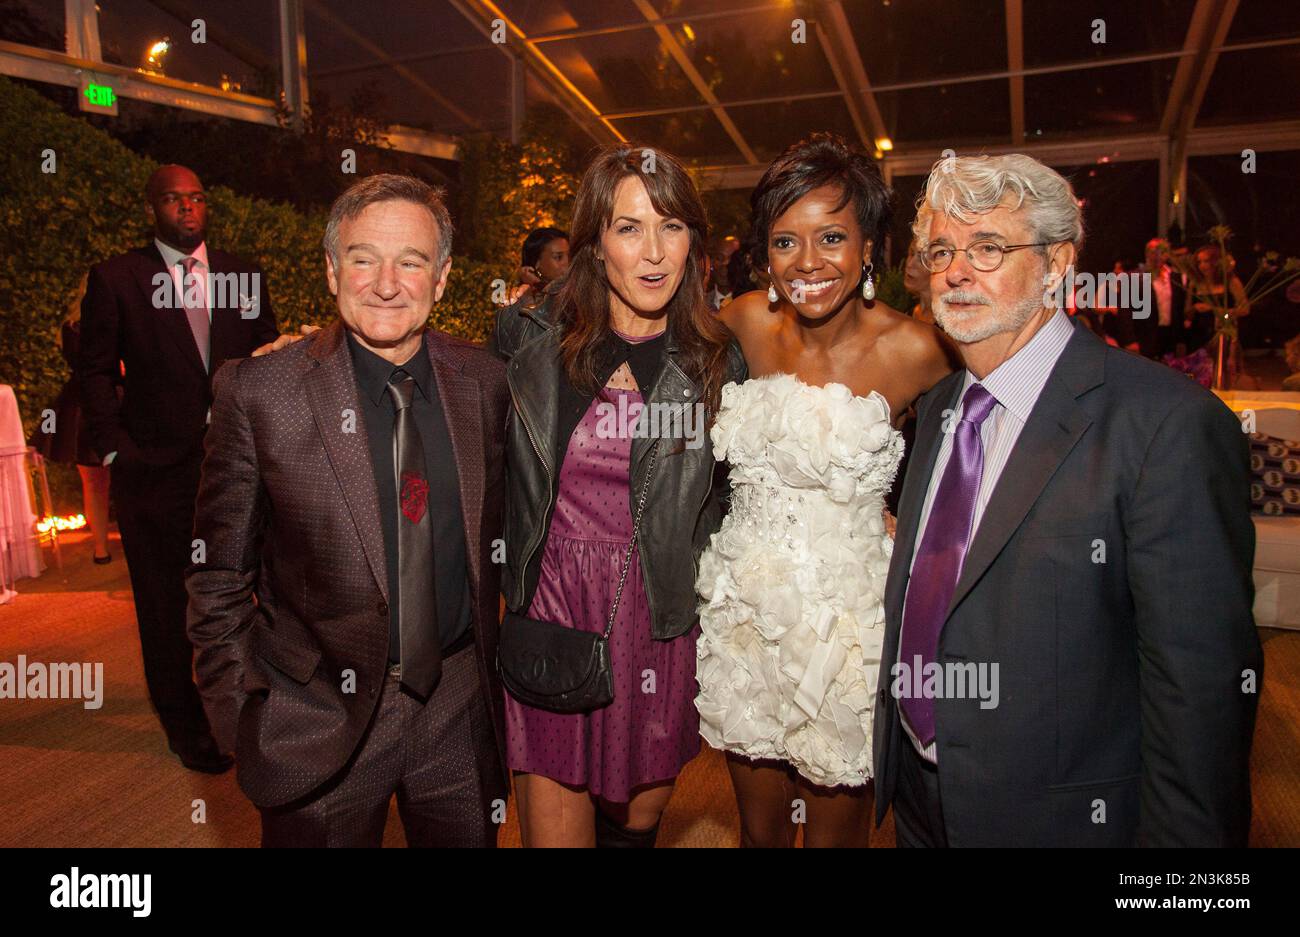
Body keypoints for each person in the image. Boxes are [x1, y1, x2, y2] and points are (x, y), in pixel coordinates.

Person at [874, 153, 1261, 847]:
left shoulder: (1166, 424)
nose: (955, 271)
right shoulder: (936, 410)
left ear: (1057, 265)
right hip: (919, 801)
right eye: (941, 250)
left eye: (988, 247)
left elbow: (1199, 701)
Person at [186, 174, 510, 847]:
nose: (386, 283)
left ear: (443, 277)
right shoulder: (259, 392)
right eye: (364, 258)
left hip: (455, 705)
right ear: (332, 270)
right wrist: (240, 717)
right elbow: (216, 577)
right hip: (315, 714)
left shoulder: (486, 382)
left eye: (411, 262)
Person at [696, 133, 954, 847]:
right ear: (764, 253)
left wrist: (921, 520)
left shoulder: (920, 348)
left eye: (832, 237)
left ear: (870, 246)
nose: (808, 263)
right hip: (747, 616)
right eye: (786, 241)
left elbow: (989, 445)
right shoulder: (742, 321)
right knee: (759, 835)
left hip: (848, 633)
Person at [492, 143, 746, 848]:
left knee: (634, 833)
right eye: (629, 227)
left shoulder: (719, 362)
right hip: (553, 613)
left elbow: (738, 502)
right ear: (595, 243)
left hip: (659, 622)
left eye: (671, 225)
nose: (653, 250)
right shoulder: (536, 352)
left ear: (694, 242)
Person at [79, 164, 278, 773]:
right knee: (165, 606)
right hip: (154, 474)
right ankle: (185, 725)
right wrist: (116, 449)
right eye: (174, 199)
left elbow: (268, 354)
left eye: (196, 197)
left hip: (241, 467)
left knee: (258, 590)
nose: (188, 209)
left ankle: (261, 707)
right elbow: (92, 371)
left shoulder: (243, 273)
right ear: (153, 208)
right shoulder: (117, 278)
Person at [31, 273, 112, 563]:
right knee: (102, 480)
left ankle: (108, 547)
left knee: (103, 482)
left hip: (96, 405)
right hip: (94, 406)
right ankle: (106, 546)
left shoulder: (81, 326)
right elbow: (94, 367)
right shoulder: (84, 327)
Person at [1137, 237, 1186, 359]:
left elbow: (1179, 309)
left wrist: (1181, 339)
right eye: (1153, 252)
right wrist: (1130, 340)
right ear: (1147, 254)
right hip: (1147, 335)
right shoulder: (1138, 278)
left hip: (1170, 334)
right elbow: (1127, 312)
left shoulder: (1176, 278)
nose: (1157, 256)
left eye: (1162, 252)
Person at [507, 226, 570, 306]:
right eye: (558, 257)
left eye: (570, 255)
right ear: (536, 262)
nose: (568, 262)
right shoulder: (520, 297)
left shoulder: (577, 289)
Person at [903, 238, 934, 324]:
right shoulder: (908, 315)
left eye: (921, 260)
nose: (910, 264)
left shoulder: (948, 322)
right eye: (911, 253)